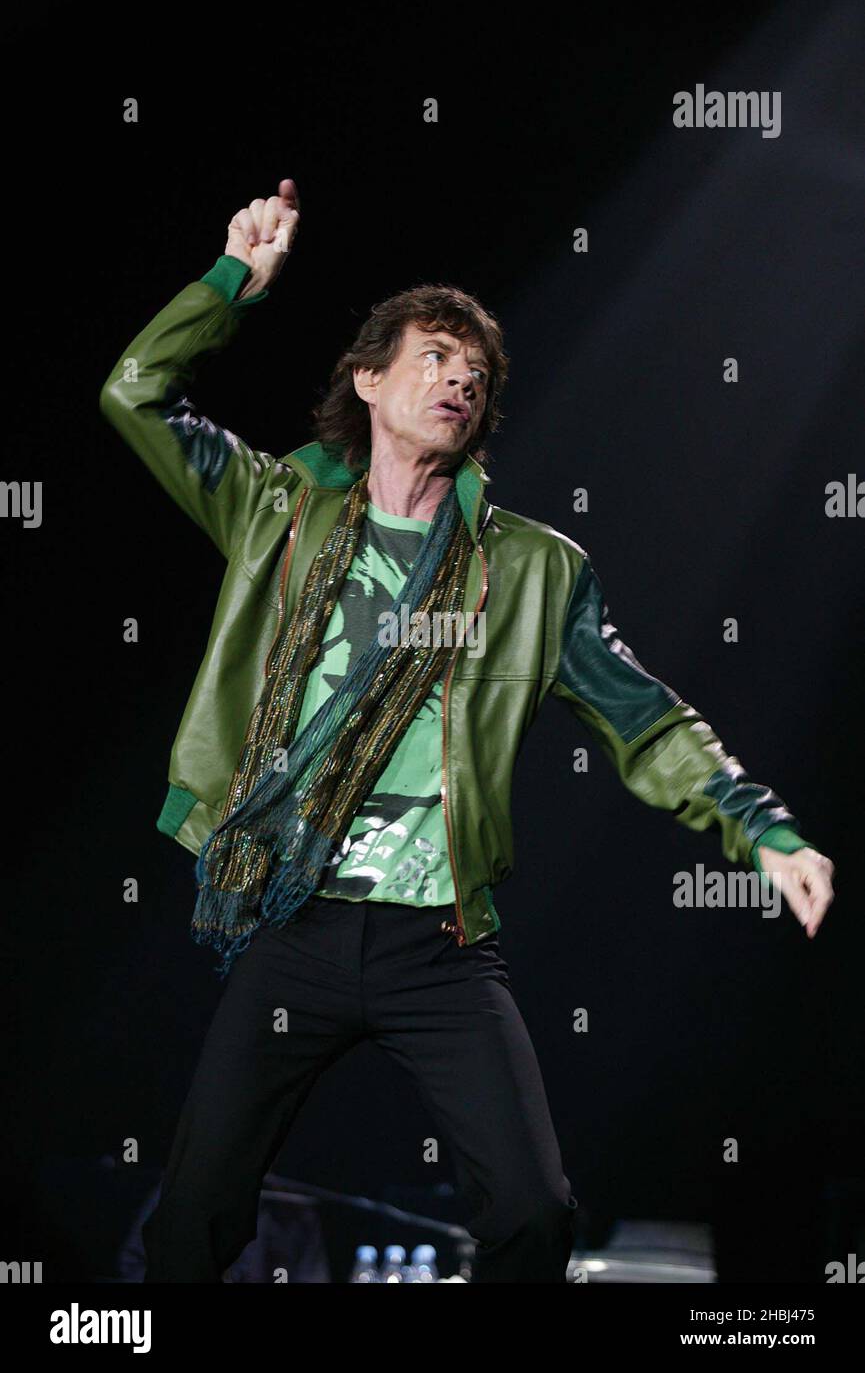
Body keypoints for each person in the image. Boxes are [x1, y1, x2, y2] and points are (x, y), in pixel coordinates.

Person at [99, 178, 835, 1283]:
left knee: (534, 1216)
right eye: (435, 355)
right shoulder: (276, 512)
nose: (460, 377)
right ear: (369, 379)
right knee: (195, 1214)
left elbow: (641, 714)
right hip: (294, 925)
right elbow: (135, 395)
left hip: (437, 943)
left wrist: (761, 828)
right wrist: (230, 285)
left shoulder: (534, 570)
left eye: (476, 370)